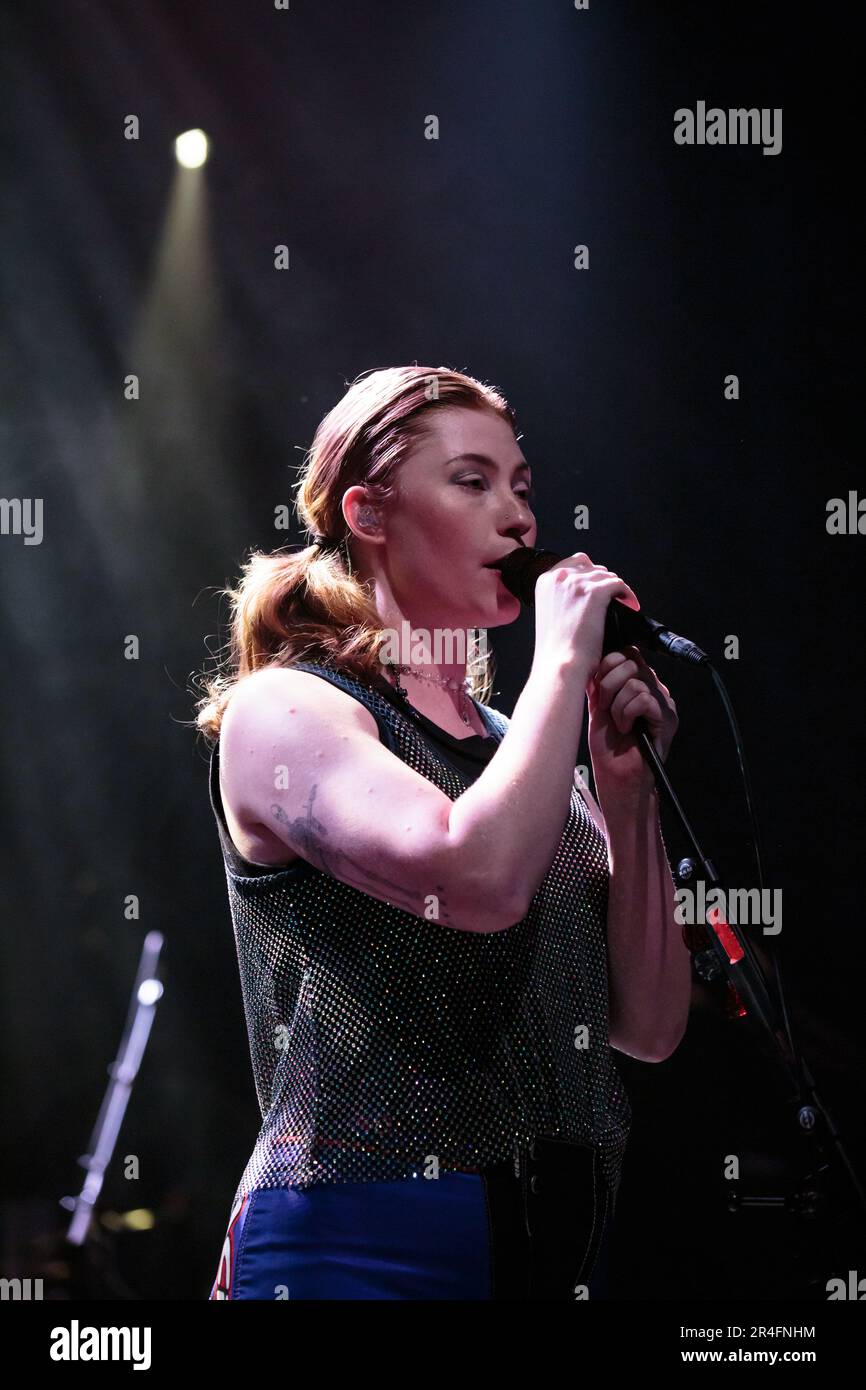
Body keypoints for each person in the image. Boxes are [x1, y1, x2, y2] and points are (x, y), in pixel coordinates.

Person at [194, 365, 690, 1300]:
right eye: (472, 482)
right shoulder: (290, 711)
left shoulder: (516, 755)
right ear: (370, 515)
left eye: (522, 487)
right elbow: (476, 881)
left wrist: (625, 792)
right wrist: (559, 667)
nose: (519, 520)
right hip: (362, 1234)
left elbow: (651, 1028)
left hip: (553, 1238)